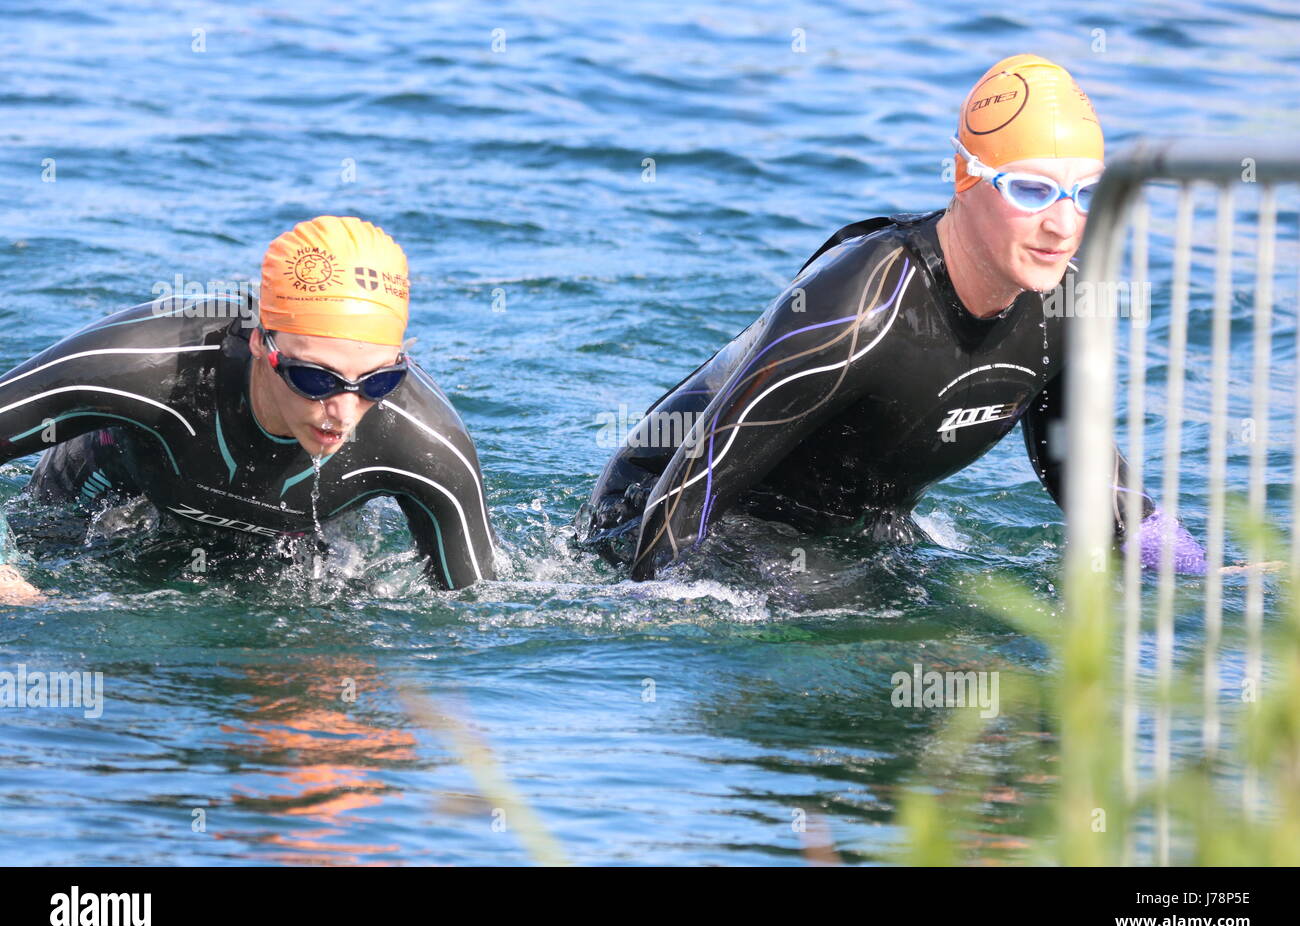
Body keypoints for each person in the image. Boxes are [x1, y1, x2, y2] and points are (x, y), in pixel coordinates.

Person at [577, 54, 1212, 582]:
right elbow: (693, 491)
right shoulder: (862, 307)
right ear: (967, 179)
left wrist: (1196, 578)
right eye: (1031, 190)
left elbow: (1086, 469)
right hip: (672, 511)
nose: (1063, 224)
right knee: (903, 629)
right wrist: (650, 619)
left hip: (859, 528)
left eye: (1084, 192)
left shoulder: (1063, 307)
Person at [0, 215, 494, 602]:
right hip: (104, 503)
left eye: (378, 382)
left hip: (286, 549)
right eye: (314, 378)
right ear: (261, 343)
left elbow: (476, 611)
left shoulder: (423, 443)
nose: (343, 411)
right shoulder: (145, 366)